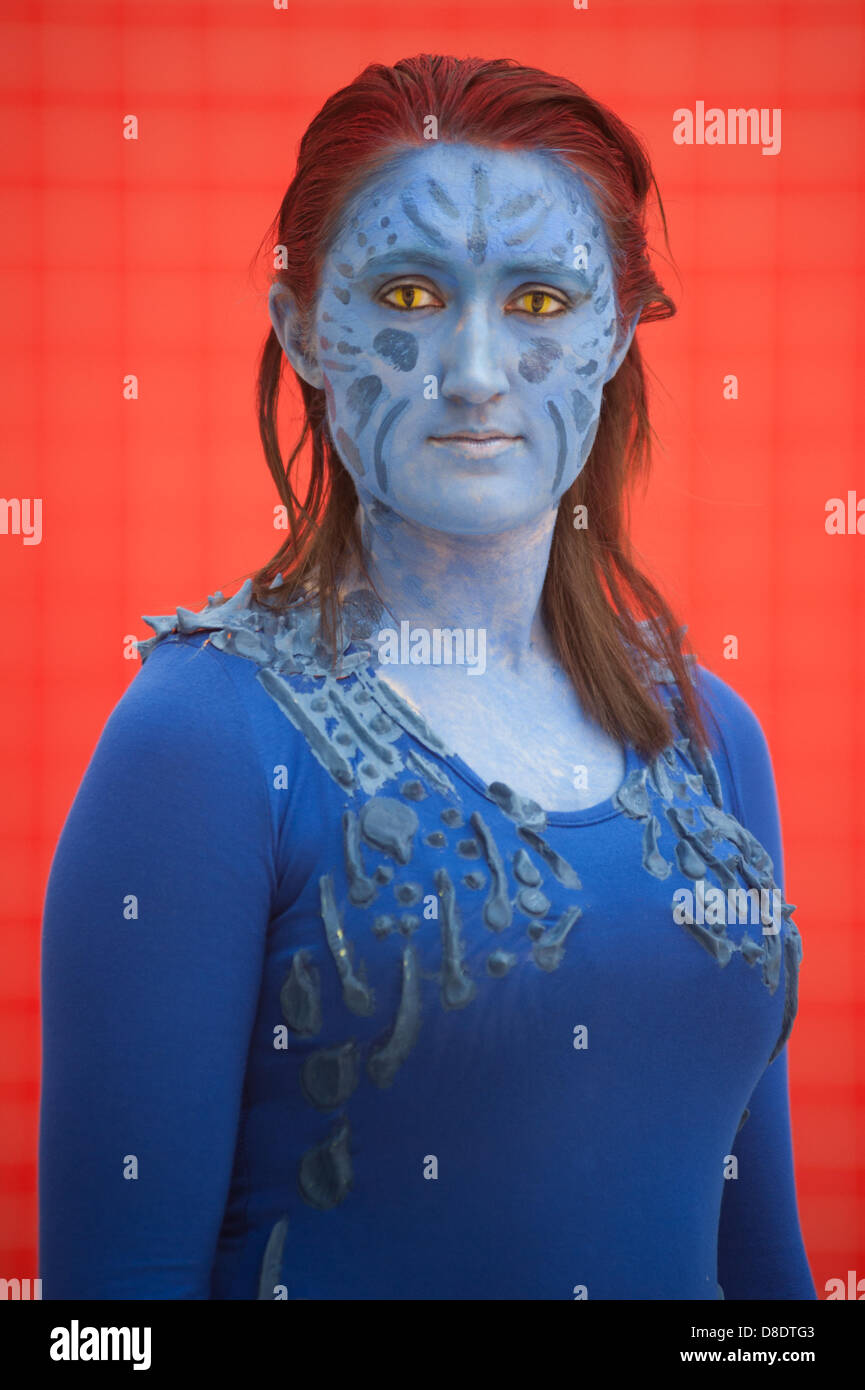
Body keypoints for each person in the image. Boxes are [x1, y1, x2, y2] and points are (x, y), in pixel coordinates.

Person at [38, 54, 815, 1300]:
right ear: (301, 328)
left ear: (616, 332)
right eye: (408, 292)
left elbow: (762, 1275)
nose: (474, 369)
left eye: (540, 301)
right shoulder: (200, 740)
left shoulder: (711, 739)